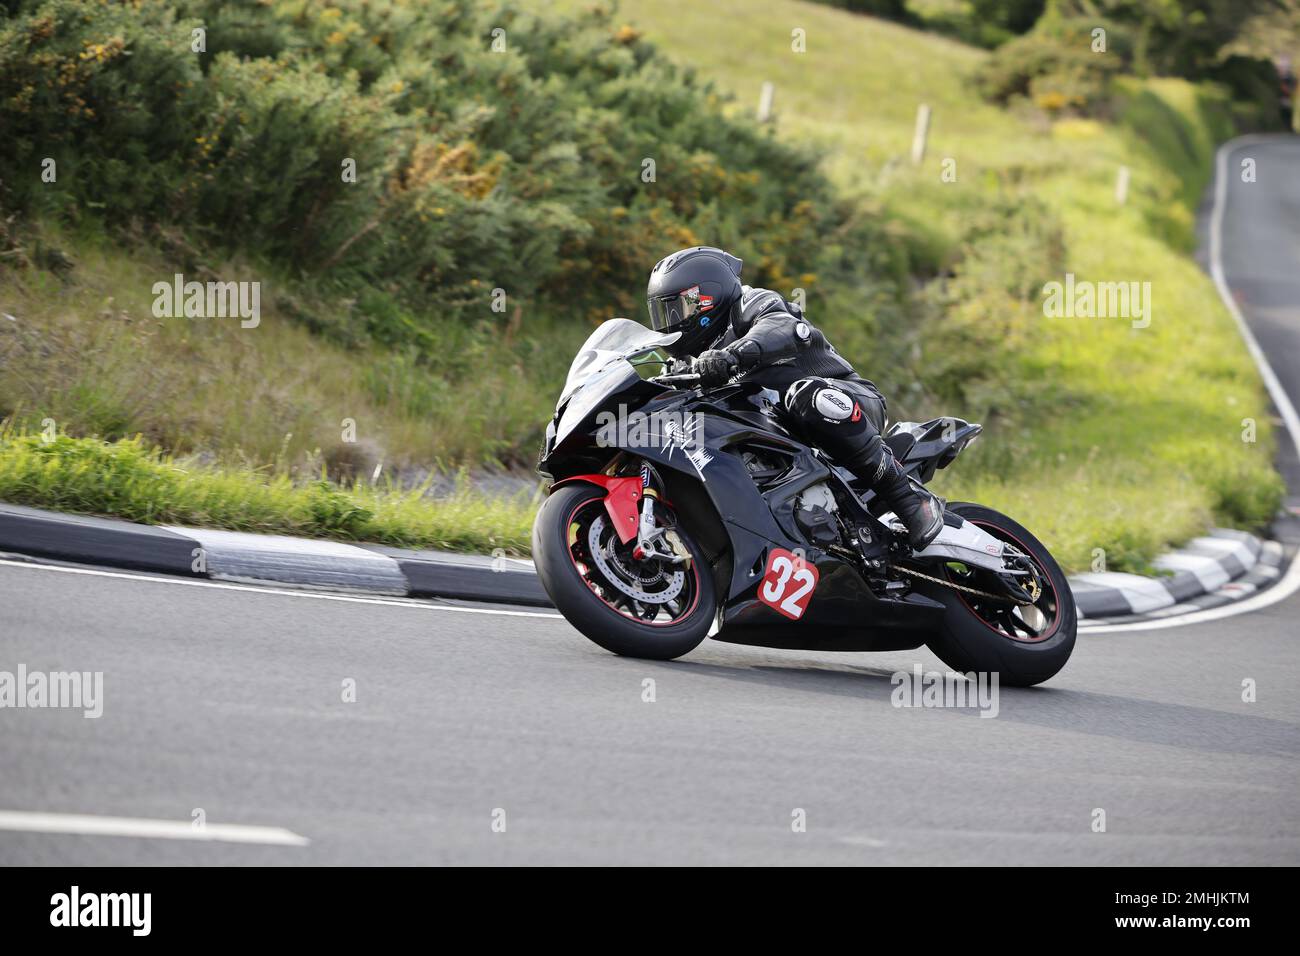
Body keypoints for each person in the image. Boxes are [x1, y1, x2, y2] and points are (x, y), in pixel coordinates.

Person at [645, 245, 943, 549]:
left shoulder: (750, 304)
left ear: (707, 297)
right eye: (662, 313)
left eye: (677, 308)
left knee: (808, 397)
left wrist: (732, 355)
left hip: (846, 402)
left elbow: (781, 326)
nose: (670, 322)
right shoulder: (683, 366)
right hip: (784, 436)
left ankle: (908, 498)